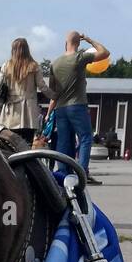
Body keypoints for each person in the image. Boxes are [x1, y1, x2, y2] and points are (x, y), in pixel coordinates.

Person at [49, 30, 110, 182]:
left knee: (64, 140)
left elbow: (53, 93)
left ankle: (63, 173)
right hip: (77, 105)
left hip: (60, 108)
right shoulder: (80, 57)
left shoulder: (55, 63)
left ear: (66, 43)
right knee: (85, 137)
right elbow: (105, 53)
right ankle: (82, 172)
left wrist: (49, 112)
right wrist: (90, 40)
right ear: (78, 43)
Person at [0, 38, 52, 145]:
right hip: (28, 113)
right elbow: (43, 87)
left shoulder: (6, 66)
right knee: (26, 146)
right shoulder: (34, 66)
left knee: (10, 146)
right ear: (27, 50)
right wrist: (55, 96)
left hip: (10, 113)